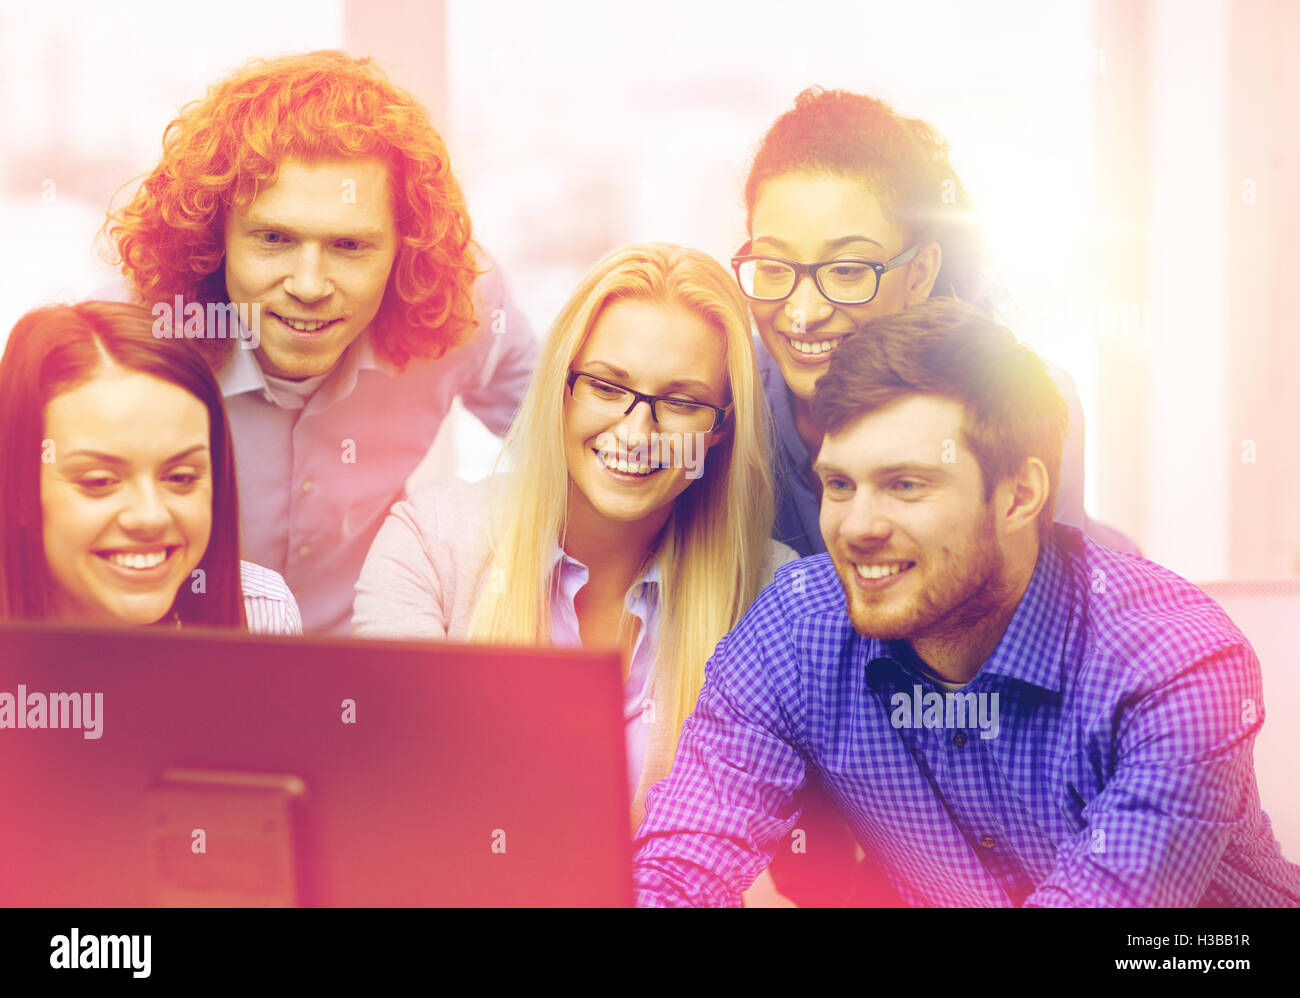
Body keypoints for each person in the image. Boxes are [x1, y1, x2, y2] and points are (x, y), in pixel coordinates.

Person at [633, 298, 1300, 907]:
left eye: (905, 484)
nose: (857, 526)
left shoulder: (1175, 663)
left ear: (1018, 495)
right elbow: (680, 865)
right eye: (840, 483)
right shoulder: (797, 630)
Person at [354, 244, 797, 827]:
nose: (638, 434)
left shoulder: (776, 598)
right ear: (558, 389)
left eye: (682, 402)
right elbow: (395, 810)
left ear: (720, 429)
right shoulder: (429, 547)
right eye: (607, 387)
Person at [103, 51, 537, 634]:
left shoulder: (462, 305)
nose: (308, 287)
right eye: (274, 238)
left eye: (350, 246)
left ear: (402, 249)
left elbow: (572, 450)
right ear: (216, 237)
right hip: (175, 660)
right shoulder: (132, 325)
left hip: (368, 660)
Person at [734, 87, 1126, 558]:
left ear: (919, 273)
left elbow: (1039, 612)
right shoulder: (726, 399)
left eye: (847, 270)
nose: (803, 313)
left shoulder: (1028, 401)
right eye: (775, 268)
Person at [0, 302, 300, 634]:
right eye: (99, 481)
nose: (150, 517)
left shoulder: (263, 616)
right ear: (18, 489)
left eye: (181, 478)